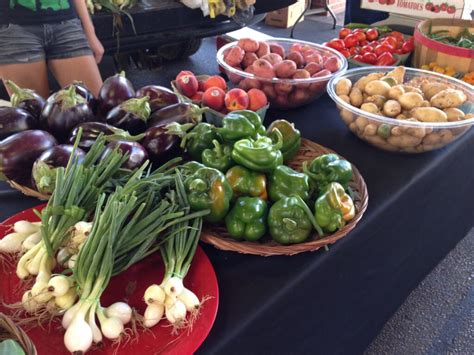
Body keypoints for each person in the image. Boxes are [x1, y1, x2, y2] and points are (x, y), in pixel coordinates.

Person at [0, 0, 104, 98]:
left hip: (67, 23)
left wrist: (90, 32)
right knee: (33, 112)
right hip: (13, 29)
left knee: (96, 107)